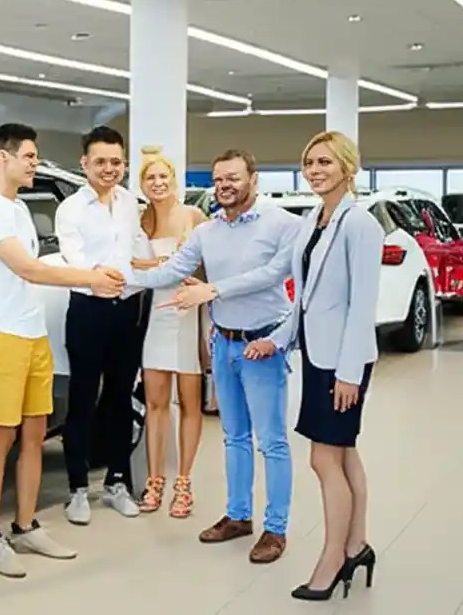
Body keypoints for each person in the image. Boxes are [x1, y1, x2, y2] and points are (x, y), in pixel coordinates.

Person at [0, 123, 125, 578]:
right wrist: (91, 278)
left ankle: (26, 524)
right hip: (1, 337)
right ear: (3, 157)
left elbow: (38, 267)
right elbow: (29, 269)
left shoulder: (16, 209)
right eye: (30, 156)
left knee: (35, 433)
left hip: (32, 334)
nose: (35, 163)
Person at [124, 148, 301, 564]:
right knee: (233, 437)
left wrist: (214, 290)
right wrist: (120, 277)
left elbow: (275, 273)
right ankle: (238, 516)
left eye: (233, 178)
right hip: (224, 343)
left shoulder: (282, 223)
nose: (224, 186)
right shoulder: (208, 231)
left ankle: (276, 529)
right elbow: (171, 270)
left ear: (253, 179)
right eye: (219, 179)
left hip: (263, 345)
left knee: (271, 441)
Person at [252, 131, 382, 599]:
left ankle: (333, 557)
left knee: (323, 457)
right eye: (308, 162)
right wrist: (277, 339)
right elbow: (304, 300)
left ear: (348, 166)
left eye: (324, 161)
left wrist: (348, 373)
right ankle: (357, 544)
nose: (314, 170)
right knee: (344, 454)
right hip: (318, 357)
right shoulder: (314, 220)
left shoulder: (360, 224)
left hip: (343, 362)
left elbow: (362, 303)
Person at [54, 126, 147, 525]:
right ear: (85, 164)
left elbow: (137, 250)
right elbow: (76, 260)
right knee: (82, 399)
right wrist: (104, 276)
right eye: (100, 162)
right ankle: (77, 489)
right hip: (88, 310)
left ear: (124, 164)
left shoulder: (130, 204)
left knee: (121, 398)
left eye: (115, 162)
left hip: (127, 310)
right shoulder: (70, 209)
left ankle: (117, 482)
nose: (109, 169)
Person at [131, 145, 208, 519]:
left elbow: (212, 263)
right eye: (151, 178)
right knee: (156, 404)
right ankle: (155, 480)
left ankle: (184, 484)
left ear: (175, 180)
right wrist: (162, 262)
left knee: (189, 403)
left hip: (187, 314)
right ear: (142, 184)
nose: (158, 183)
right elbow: (130, 263)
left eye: (164, 176)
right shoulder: (141, 221)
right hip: (153, 317)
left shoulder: (194, 215)